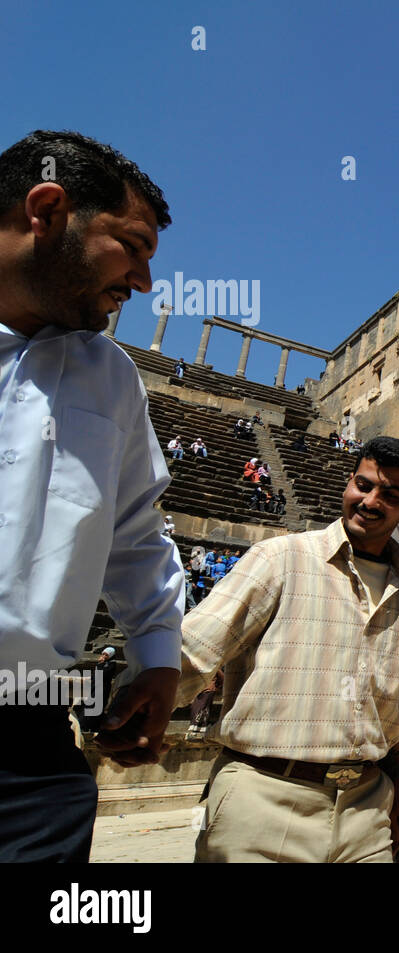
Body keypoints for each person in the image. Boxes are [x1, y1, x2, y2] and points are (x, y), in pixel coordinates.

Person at [0, 129, 186, 862]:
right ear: (46, 210)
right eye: (132, 246)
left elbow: (136, 529)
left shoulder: (111, 379)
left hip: (30, 751)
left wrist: (159, 654)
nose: (143, 282)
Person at [176, 436, 399, 862]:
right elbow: (194, 648)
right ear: (348, 482)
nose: (370, 501)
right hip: (264, 797)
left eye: (390, 494)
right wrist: (130, 713)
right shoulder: (280, 558)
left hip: (366, 808)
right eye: (363, 485)